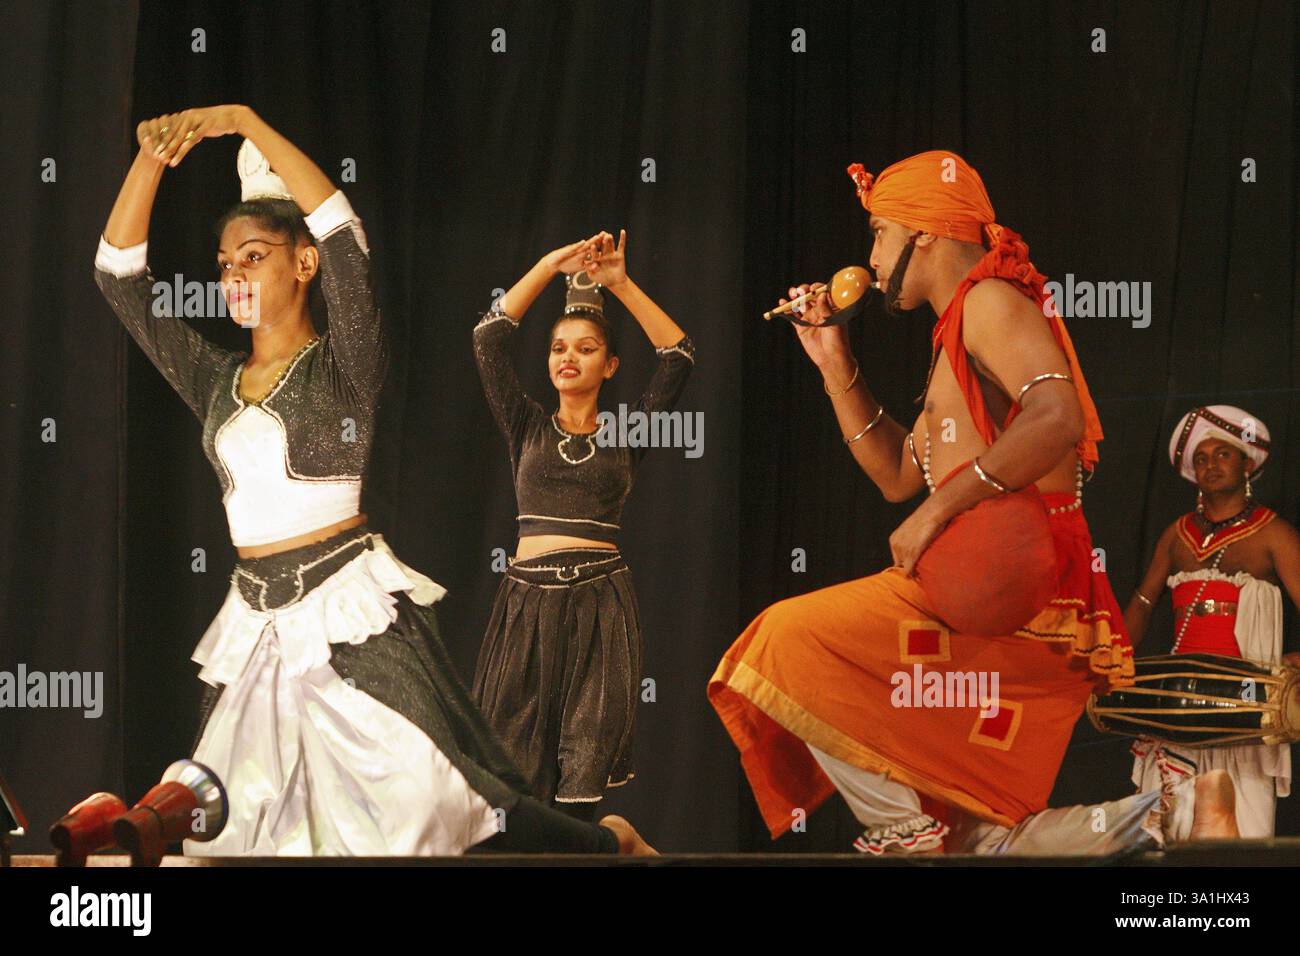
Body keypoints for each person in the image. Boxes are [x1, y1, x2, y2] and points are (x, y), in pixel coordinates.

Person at [94, 104, 651, 856]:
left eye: (254, 255)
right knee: (243, 825)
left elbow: (342, 230)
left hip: (344, 610)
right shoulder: (214, 378)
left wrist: (243, 121)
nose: (233, 275)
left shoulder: (345, 366)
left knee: (440, 794)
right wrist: (153, 157)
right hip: (254, 623)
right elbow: (119, 279)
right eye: (224, 264)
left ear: (303, 263)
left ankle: (606, 847)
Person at [708, 149, 1238, 855]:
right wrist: (835, 362)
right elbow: (900, 472)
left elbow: (1057, 416)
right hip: (987, 579)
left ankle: (899, 825)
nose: (870, 254)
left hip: (1019, 580)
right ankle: (1163, 813)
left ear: (922, 234)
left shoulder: (990, 301)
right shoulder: (954, 326)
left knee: (783, 642)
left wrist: (934, 514)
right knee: (976, 837)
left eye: (879, 233)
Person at [471, 230, 694, 819]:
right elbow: (489, 338)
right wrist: (547, 265)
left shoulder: (628, 435)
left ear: (611, 363)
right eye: (558, 347)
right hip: (526, 605)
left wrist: (620, 284)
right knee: (510, 780)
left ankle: (601, 841)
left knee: (581, 775)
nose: (568, 357)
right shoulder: (526, 427)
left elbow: (677, 357)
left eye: (586, 348)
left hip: (601, 605)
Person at [1124, 405, 1300, 837]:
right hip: (1179, 705)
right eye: (1200, 459)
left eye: (1223, 454)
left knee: (1239, 827)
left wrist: (1293, 665)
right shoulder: (1177, 534)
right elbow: (1143, 603)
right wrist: (1114, 659)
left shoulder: (1273, 533)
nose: (1210, 465)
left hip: (1243, 706)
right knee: (1171, 829)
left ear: (1247, 464)